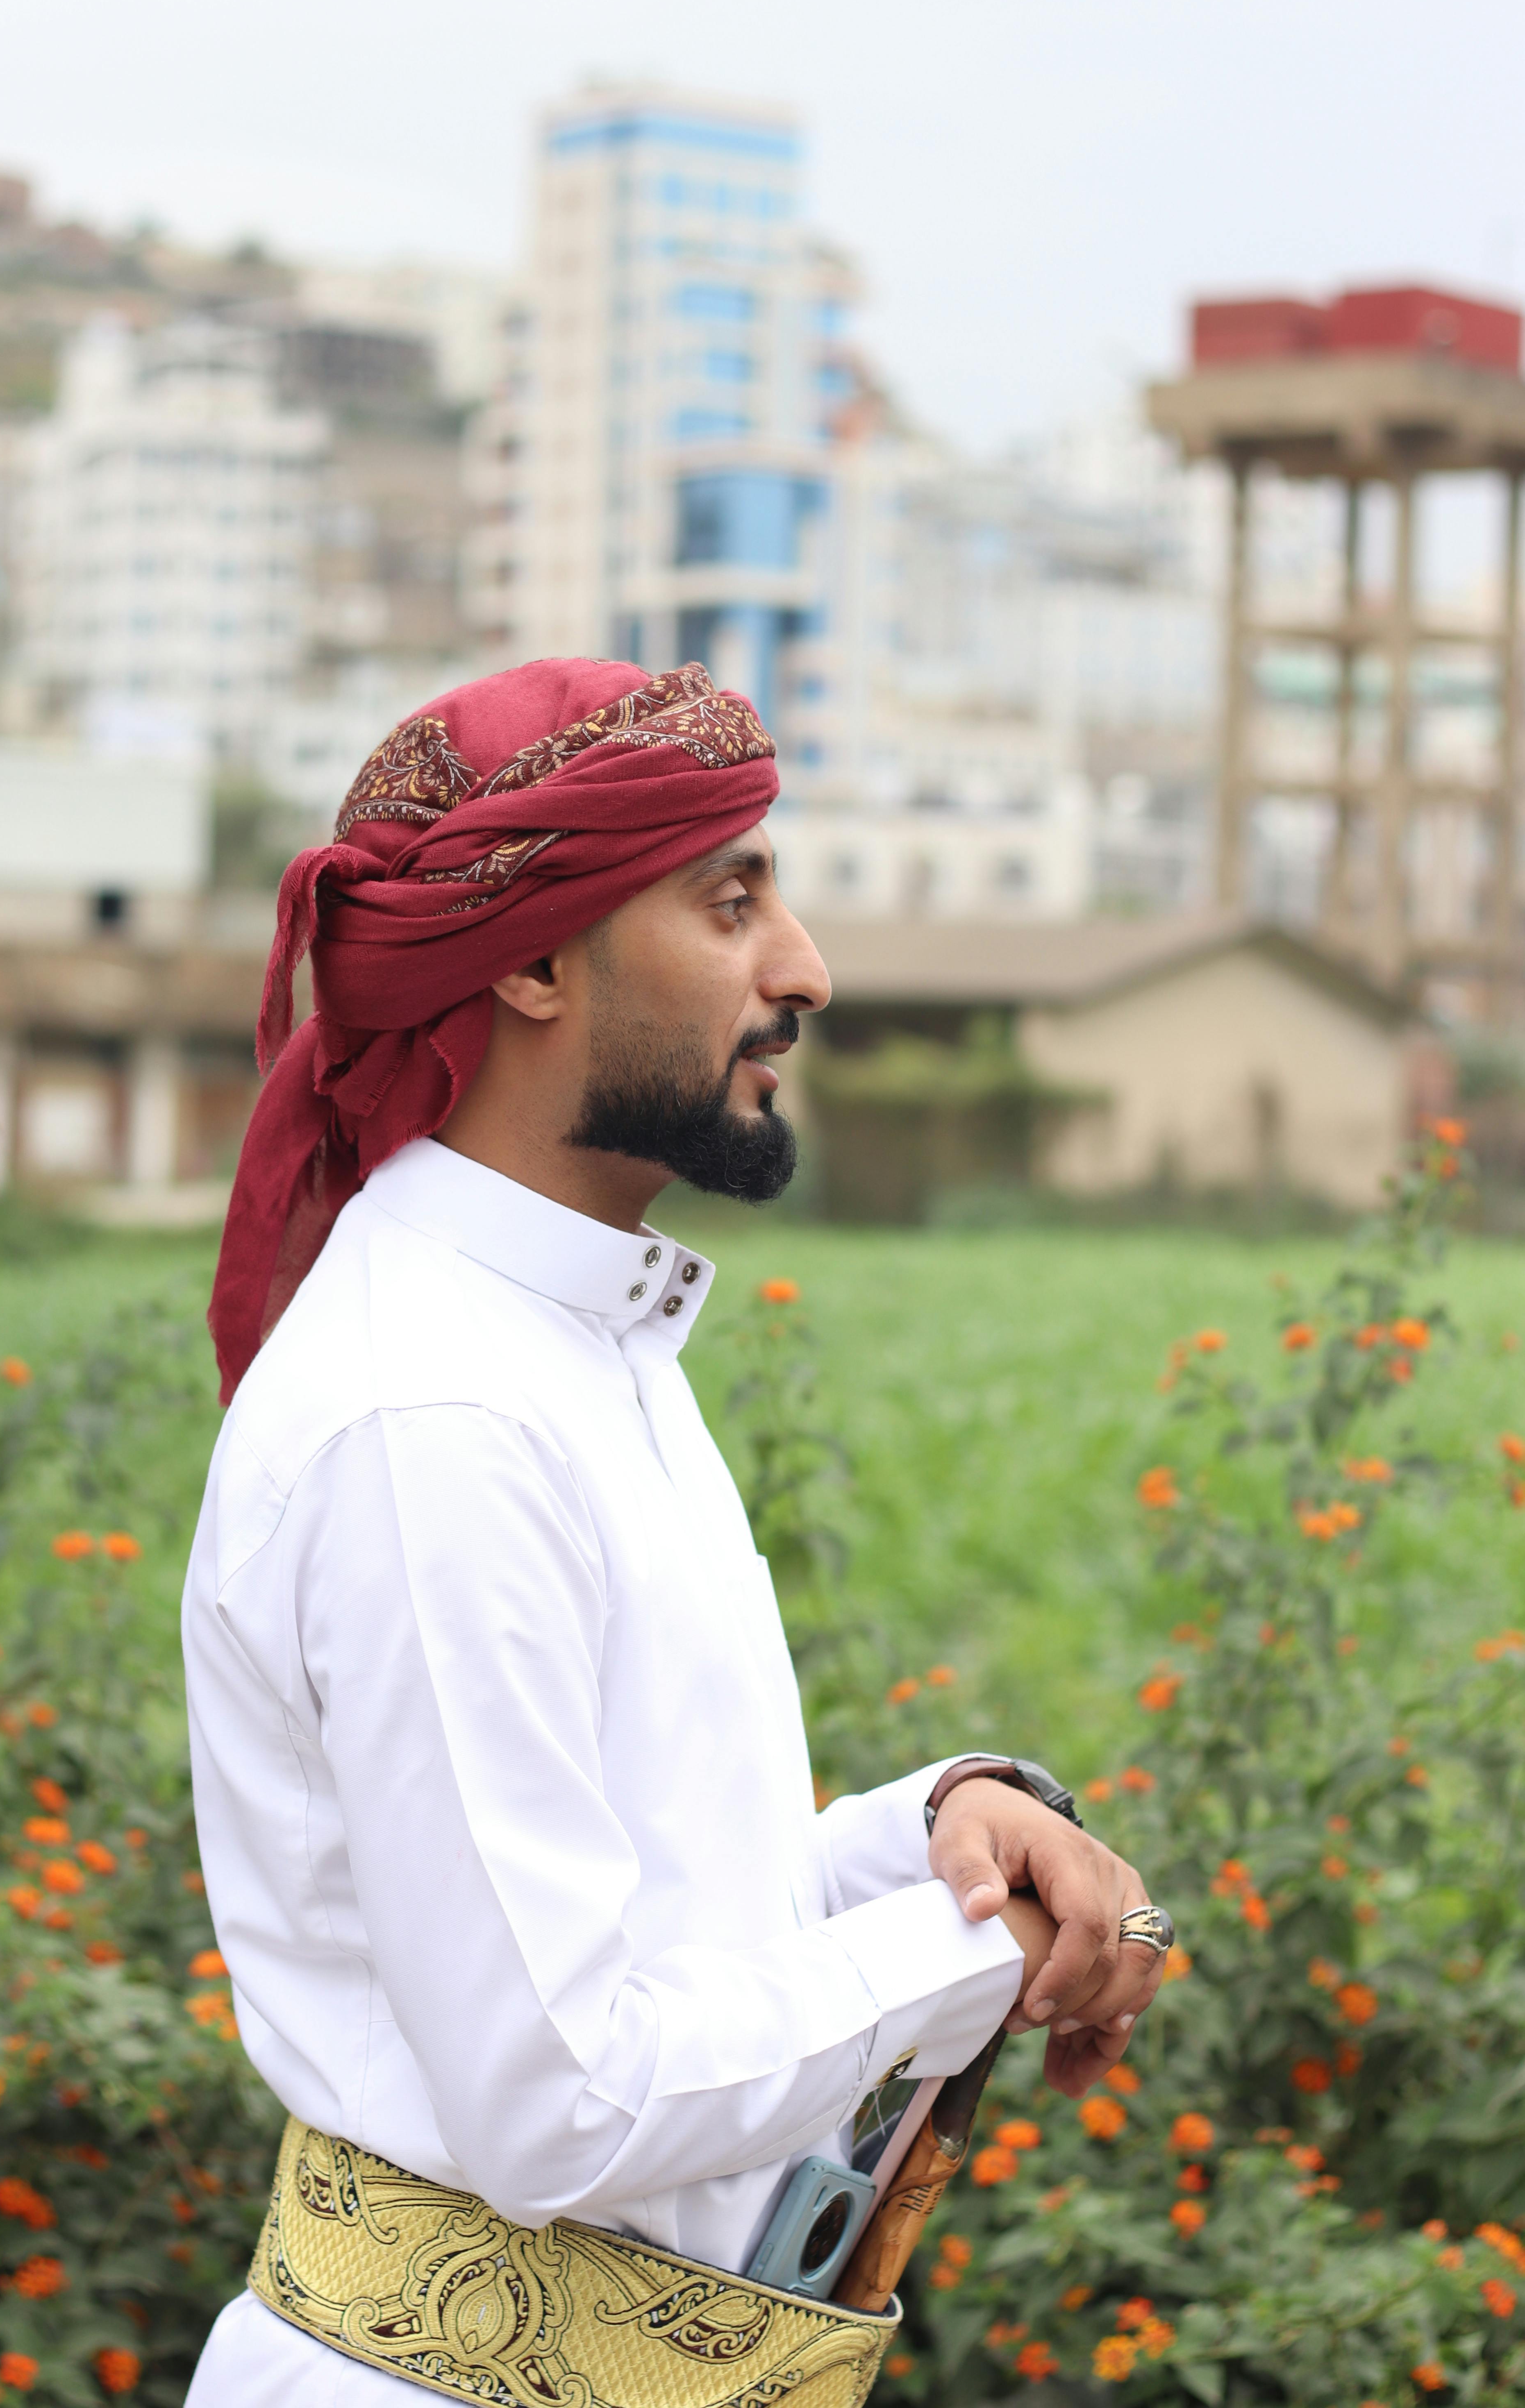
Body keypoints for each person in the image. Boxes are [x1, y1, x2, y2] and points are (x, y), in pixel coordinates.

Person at [182, 659, 1167, 2407]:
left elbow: (633, 1922)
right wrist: (969, 1954)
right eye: (732, 903)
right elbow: (560, 2093)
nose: (804, 971)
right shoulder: (441, 1417)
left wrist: (934, 1841)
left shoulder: (576, 1349)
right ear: (537, 961)